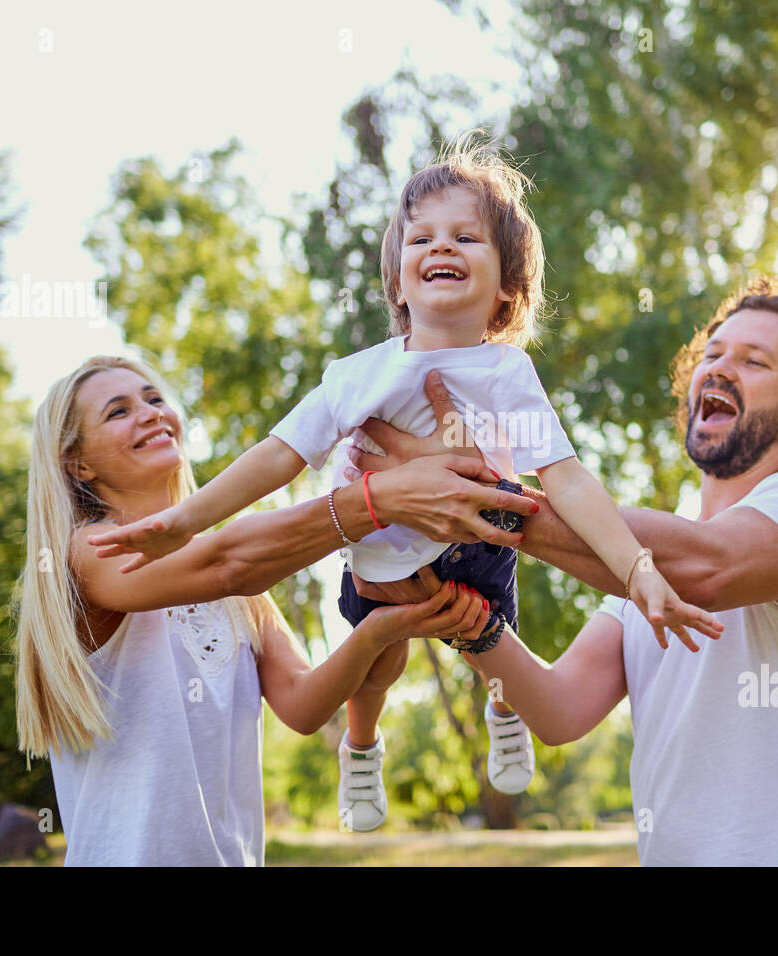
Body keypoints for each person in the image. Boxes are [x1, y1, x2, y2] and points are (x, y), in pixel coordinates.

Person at [87, 135, 722, 832]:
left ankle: (502, 712)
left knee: (494, 630)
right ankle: (362, 745)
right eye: (421, 237)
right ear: (397, 281)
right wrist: (188, 521)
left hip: (480, 542)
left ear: (507, 288)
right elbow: (278, 455)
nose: (441, 247)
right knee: (378, 664)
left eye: (466, 237)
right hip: (378, 556)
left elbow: (566, 481)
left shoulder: (508, 374)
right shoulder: (356, 375)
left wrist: (635, 568)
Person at [348, 278, 778, 866]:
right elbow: (559, 708)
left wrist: (477, 493)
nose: (720, 369)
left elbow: (709, 567)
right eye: (712, 354)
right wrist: (461, 616)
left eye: (754, 360)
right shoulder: (639, 559)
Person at [13, 354, 523, 865]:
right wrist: (380, 500)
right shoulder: (88, 553)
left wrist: (380, 631)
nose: (150, 413)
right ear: (77, 462)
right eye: (117, 411)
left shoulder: (241, 587)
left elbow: (304, 705)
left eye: (152, 398)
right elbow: (228, 562)